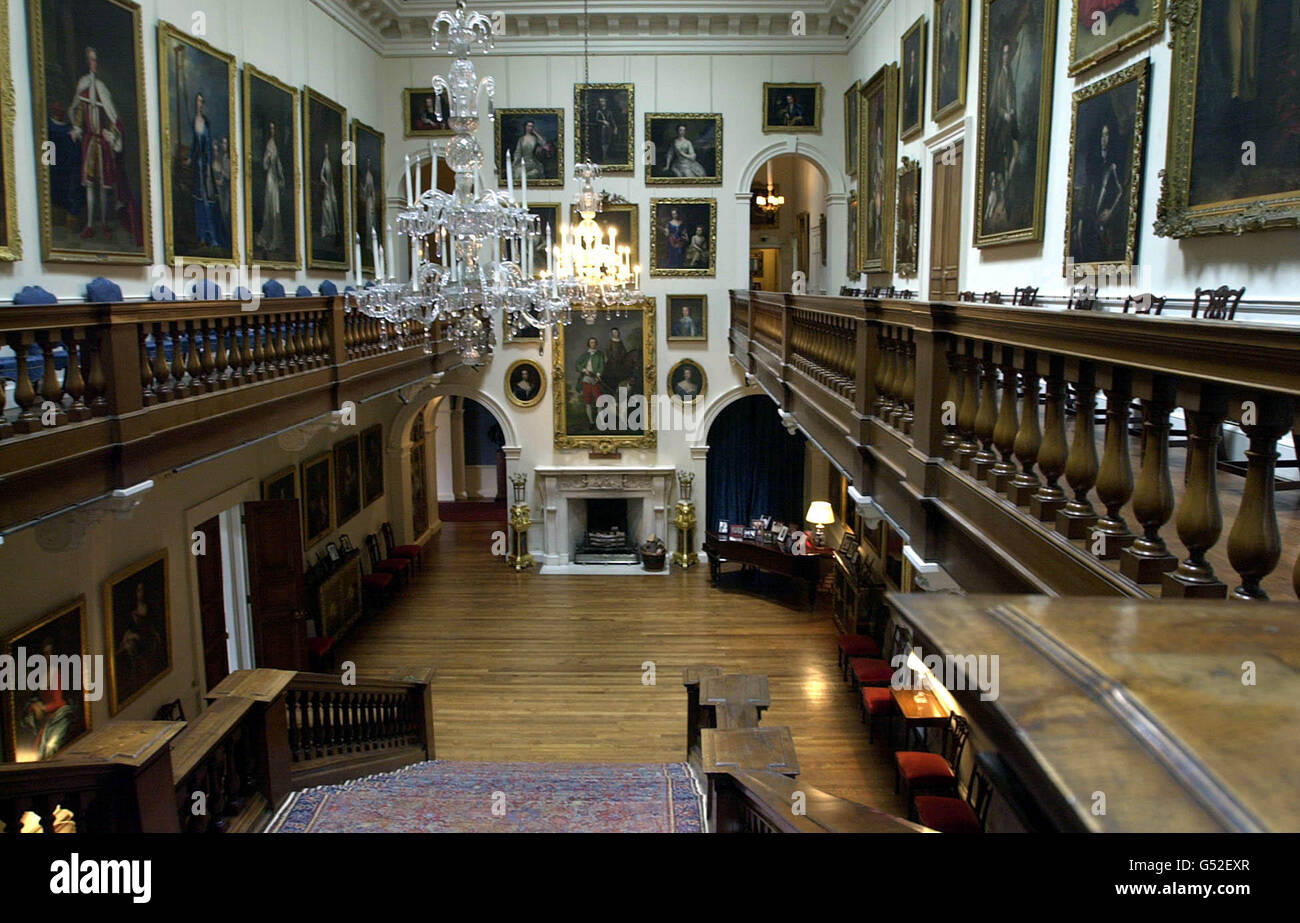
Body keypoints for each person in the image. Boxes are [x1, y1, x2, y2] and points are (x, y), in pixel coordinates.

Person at [68, 47, 121, 240]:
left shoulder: (102, 88)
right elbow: (80, 114)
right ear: (87, 62)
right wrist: (77, 129)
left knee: (103, 186)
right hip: (90, 143)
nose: (94, 63)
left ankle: (104, 223)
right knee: (90, 184)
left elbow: (112, 118)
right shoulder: (83, 86)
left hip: (102, 142)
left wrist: (111, 135)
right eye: (91, 60)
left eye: (95, 60)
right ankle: (90, 224)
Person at [20, 637, 78, 761]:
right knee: (38, 751)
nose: (47, 656)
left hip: (60, 715)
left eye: (50, 653)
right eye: (45, 653)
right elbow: (35, 699)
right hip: (46, 717)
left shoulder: (57, 674)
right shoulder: (40, 674)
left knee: (50, 748)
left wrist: (43, 708)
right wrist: (34, 706)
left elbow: (59, 702)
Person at [987, 40, 1020, 228]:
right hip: (1003, 125)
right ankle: (1002, 194)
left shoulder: (1011, 76)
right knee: (1005, 157)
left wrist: (1013, 110)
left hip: (1011, 122)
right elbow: (996, 104)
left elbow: (1010, 99)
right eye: (1005, 53)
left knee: (1015, 153)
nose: (1007, 57)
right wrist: (1004, 113)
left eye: (1009, 53)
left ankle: (1007, 185)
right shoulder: (1000, 77)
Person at [188, 92, 224, 249]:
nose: (200, 104)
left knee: (208, 201)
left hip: (205, 167)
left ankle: (212, 237)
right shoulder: (194, 121)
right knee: (198, 201)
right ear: (195, 103)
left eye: (202, 101)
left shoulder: (206, 123)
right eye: (198, 101)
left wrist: (208, 166)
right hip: (197, 165)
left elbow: (208, 146)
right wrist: (190, 158)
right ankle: (201, 236)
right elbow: (194, 144)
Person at [257, 120, 284, 251]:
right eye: (271, 129)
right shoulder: (269, 144)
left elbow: (278, 164)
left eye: (274, 129)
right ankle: (268, 237)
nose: (272, 131)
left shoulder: (277, 145)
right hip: (270, 179)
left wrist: (281, 178)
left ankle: (276, 238)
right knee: (270, 207)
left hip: (275, 178)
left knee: (276, 208)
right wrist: (267, 158)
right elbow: (264, 164)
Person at [576, 336, 605, 426]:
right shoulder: (585, 355)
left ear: (596, 344)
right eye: (591, 342)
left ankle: (600, 421)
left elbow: (601, 365)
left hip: (596, 379)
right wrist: (585, 370)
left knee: (599, 400)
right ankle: (591, 422)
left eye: (594, 342)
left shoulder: (600, 354)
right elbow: (578, 365)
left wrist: (598, 375)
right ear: (589, 344)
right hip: (586, 379)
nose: (593, 344)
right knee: (588, 401)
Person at [319, 142, 339, 241]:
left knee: (332, 207)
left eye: (328, 149)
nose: (326, 151)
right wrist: (325, 182)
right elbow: (321, 175)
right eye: (325, 149)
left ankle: (332, 229)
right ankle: (326, 229)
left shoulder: (330, 162)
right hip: (327, 189)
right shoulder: (324, 162)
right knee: (327, 208)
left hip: (331, 189)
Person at [591, 95, 619, 162]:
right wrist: (603, 121)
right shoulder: (598, 111)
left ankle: (606, 155)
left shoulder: (609, 111)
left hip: (608, 128)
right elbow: (596, 119)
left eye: (603, 101)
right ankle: (602, 157)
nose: (602, 103)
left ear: (606, 102)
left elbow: (612, 120)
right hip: (601, 129)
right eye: (600, 101)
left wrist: (615, 127)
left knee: (608, 141)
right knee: (602, 142)